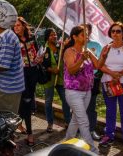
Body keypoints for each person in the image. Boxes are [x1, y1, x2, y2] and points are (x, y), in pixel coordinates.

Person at [98, 22, 123, 153]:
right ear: (110, 33)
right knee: (110, 111)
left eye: (118, 31)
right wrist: (112, 74)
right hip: (109, 83)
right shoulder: (106, 48)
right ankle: (108, 135)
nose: (115, 33)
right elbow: (100, 65)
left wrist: (119, 74)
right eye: (113, 31)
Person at [63, 25, 100, 154]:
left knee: (76, 120)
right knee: (83, 121)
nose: (87, 36)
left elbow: (98, 65)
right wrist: (81, 60)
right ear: (75, 37)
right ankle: (93, 150)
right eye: (83, 34)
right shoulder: (69, 51)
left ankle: (67, 140)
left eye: (87, 34)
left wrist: (102, 55)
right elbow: (72, 70)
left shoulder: (87, 51)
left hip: (87, 91)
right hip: (73, 92)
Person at [13, 17, 41, 145]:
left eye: (18, 25)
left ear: (24, 26)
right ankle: (30, 134)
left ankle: (19, 122)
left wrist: (39, 58)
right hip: (21, 74)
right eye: (15, 26)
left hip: (33, 72)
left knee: (27, 101)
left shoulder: (32, 38)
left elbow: (37, 52)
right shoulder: (13, 40)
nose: (16, 27)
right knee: (26, 102)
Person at [42, 28, 71, 134]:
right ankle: (50, 123)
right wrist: (51, 69)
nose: (54, 36)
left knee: (65, 100)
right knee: (48, 101)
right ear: (47, 37)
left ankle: (68, 122)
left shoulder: (60, 46)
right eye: (51, 35)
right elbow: (42, 64)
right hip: (49, 78)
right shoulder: (44, 48)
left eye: (55, 34)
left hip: (60, 77)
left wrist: (64, 47)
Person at [85, 24, 103, 141]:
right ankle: (78, 131)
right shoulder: (74, 46)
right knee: (78, 107)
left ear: (90, 32)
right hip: (78, 82)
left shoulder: (96, 45)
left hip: (93, 80)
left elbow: (101, 63)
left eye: (86, 31)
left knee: (91, 107)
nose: (84, 34)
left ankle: (91, 130)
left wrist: (97, 75)